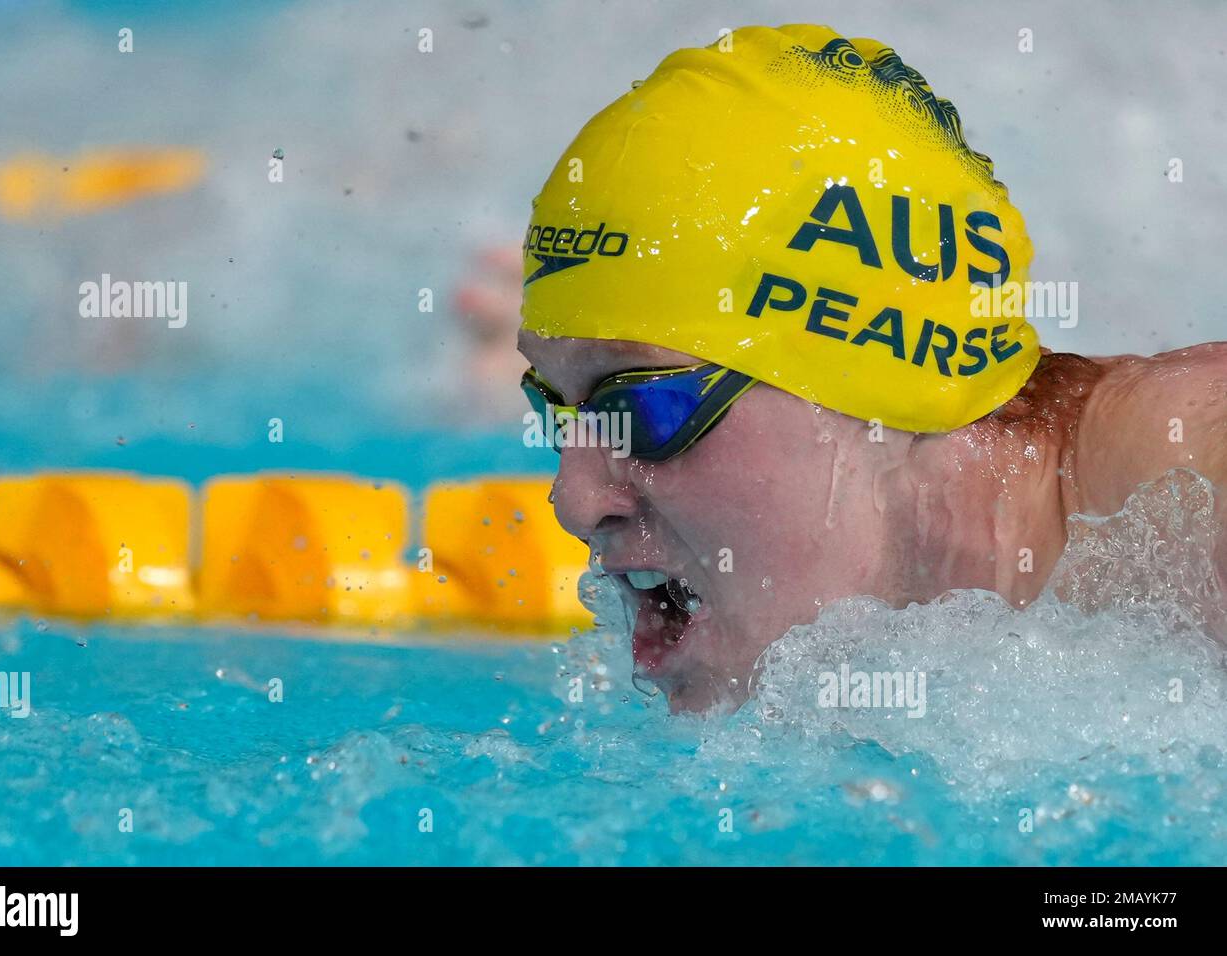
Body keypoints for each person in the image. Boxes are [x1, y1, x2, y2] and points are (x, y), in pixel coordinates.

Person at [515, 24, 1227, 713]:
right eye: (555, 409)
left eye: (642, 411)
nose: (573, 502)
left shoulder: (1183, 496)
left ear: (877, 388)